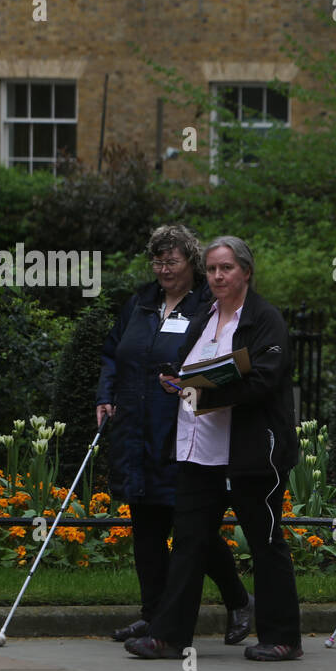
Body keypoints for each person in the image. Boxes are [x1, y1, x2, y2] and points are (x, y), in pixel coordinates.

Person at [124, 236, 303, 661]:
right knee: (188, 542)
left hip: (250, 454)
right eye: (212, 269)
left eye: (226, 268)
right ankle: (169, 636)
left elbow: (263, 379)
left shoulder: (265, 319)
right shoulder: (203, 315)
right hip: (197, 451)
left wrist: (202, 391)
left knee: (265, 542)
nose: (218, 276)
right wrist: (177, 380)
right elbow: (191, 369)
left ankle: (283, 638)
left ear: (246, 271)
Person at [97, 224, 252, 645]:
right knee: (145, 526)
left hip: (182, 428)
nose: (164, 269)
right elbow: (113, 353)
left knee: (189, 527)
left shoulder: (207, 304)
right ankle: (153, 616)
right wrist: (105, 396)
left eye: (173, 260)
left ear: (192, 262)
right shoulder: (140, 303)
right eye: (158, 260)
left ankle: (239, 598)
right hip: (134, 428)